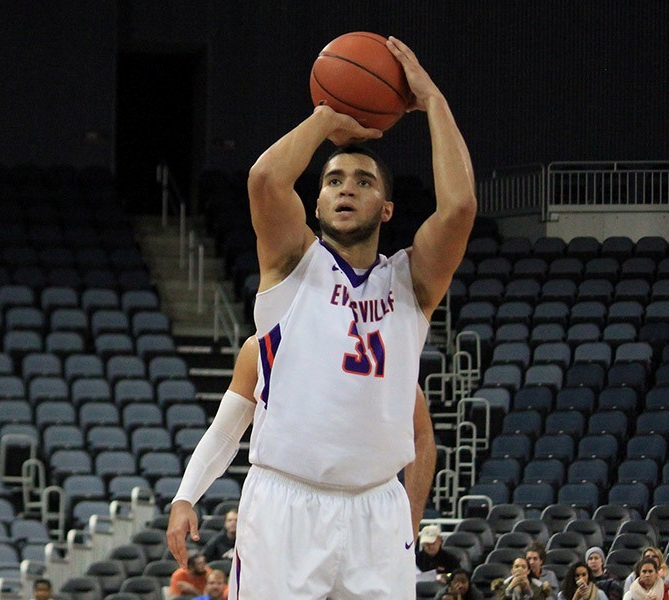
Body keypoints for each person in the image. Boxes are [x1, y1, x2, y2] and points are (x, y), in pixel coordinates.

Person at [168, 34, 472, 600]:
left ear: (386, 207)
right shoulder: (292, 266)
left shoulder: (413, 285)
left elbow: (458, 208)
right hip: (286, 503)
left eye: (363, 181)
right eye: (333, 180)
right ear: (316, 203)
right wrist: (325, 119)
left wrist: (434, 102)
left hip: (377, 509)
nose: (345, 189)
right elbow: (263, 180)